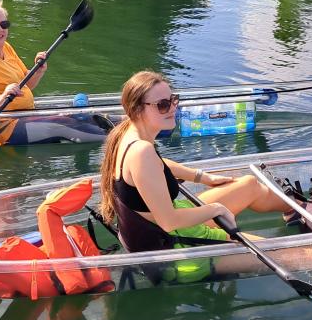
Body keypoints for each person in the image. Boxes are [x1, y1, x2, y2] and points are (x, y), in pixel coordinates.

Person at [98, 70, 292, 281]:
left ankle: (297, 209)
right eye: (162, 105)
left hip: (161, 231)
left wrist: (202, 177)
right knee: (290, 255)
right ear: (136, 109)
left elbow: (160, 165)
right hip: (173, 250)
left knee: (249, 184)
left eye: (173, 100)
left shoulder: (127, 133)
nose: (172, 108)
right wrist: (215, 209)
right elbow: (168, 222)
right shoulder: (141, 152)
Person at [0, 0, 108, 145]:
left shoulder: (5, 47)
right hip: (0, 129)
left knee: (84, 118)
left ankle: (124, 124)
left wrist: (39, 71)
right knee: (64, 125)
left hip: (23, 116)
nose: (0, 29)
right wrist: (0, 98)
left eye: (4, 24)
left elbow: (25, 86)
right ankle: (116, 140)